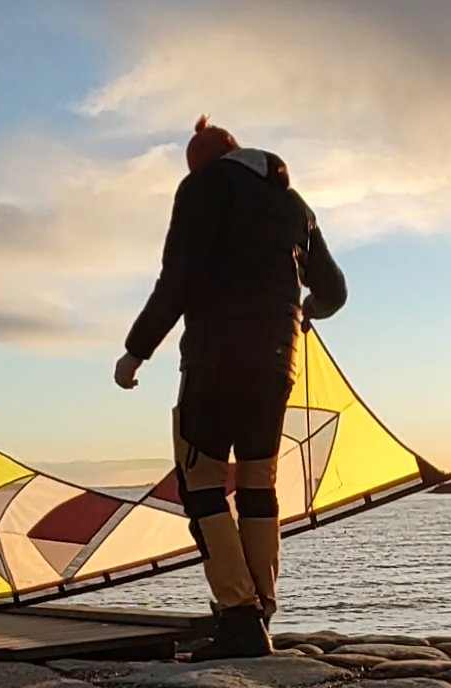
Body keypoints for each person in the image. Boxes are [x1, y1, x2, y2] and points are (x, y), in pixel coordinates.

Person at [114, 116, 347, 660]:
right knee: (260, 483)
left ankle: (239, 618)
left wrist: (136, 349)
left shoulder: (201, 188)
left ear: (200, 163)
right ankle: (261, 606)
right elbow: (333, 291)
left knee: (202, 484)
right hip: (276, 365)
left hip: (216, 360)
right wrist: (303, 312)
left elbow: (179, 277)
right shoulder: (296, 206)